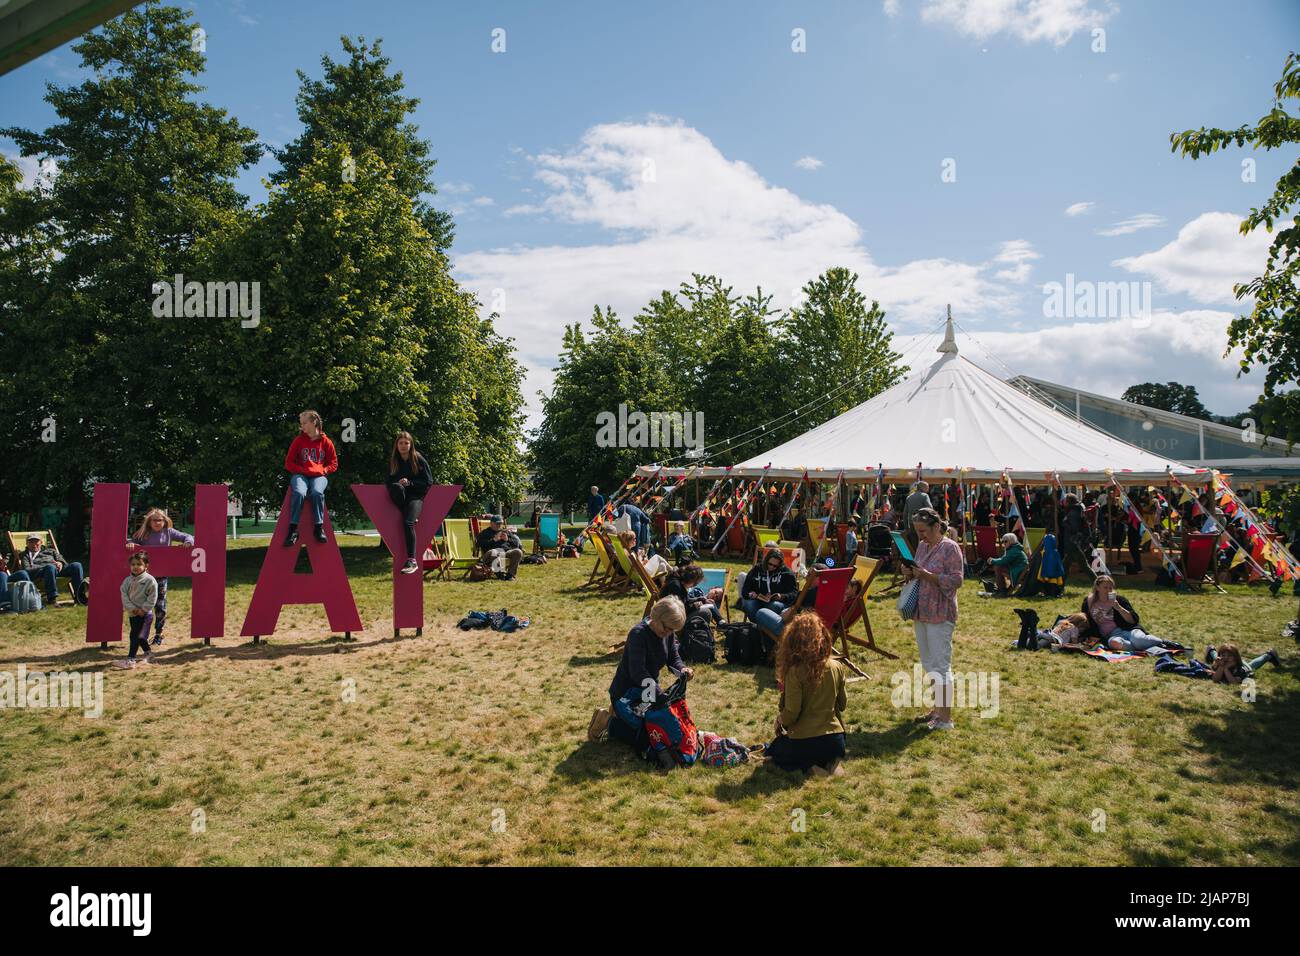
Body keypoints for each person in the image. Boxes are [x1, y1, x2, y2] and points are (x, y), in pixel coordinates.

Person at [591, 597, 693, 746]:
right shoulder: (638, 634)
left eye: (673, 630)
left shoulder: (667, 633)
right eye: (668, 628)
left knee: (658, 730)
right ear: (657, 618)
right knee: (647, 738)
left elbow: (673, 658)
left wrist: (682, 669)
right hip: (626, 693)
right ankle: (607, 721)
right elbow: (638, 672)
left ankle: (620, 716)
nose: (670, 633)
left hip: (648, 690)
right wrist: (658, 693)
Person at [763, 613, 848, 776]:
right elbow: (843, 705)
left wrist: (780, 720)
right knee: (825, 752)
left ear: (793, 641)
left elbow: (792, 713)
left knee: (776, 750)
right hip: (836, 740)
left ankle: (810, 767)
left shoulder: (795, 672)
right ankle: (832, 763)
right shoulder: (837, 666)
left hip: (805, 742)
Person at [903, 507, 963, 730]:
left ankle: (946, 720)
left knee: (940, 665)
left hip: (940, 613)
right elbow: (918, 571)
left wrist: (926, 576)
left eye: (923, 530)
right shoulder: (922, 545)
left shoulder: (950, 548)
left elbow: (957, 580)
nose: (921, 535)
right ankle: (937, 710)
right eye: (918, 531)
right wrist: (908, 571)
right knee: (929, 663)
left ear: (937, 527)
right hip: (922, 611)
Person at [129, 508, 194, 646]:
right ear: (149, 521)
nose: (157, 523)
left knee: (160, 604)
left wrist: (188, 542)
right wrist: (130, 544)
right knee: (143, 604)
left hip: (161, 576)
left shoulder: (169, 532)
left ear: (165, 521)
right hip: (144, 577)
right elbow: (131, 542)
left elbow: (187, 536)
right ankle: (142, 634)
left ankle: (159, 634)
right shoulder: (144, 533)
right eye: (155, 520)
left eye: (160, 520)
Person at [1081, 575, 1185, 654]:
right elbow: (1085, 621)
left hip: (1128, 630)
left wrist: (1118, 608)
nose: (1108, 590)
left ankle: (1164, 642)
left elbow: (1133, 620)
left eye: (1110, 588)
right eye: (1105, 587)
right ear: (1097, 588)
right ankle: (1146, 647)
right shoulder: (1089, 602)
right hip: (1111, 635)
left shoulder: (1119, 600)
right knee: (1115, 644)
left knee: (1138, 639)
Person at [283, 409, 338, 546]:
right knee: (299, 492)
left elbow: (334, 463)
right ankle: (293, 530)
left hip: (319, 476)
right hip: (300, 475)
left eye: (304, 423)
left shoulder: (326, 442)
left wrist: (324, 470)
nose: (301, 426)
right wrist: (302, 470)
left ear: (314, 423)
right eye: (300, 423)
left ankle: (318, 528)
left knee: (317, 492)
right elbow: (288, 463)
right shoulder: (298, 441)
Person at [385, 431, 433, 574]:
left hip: (415, 497)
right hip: (399, 497)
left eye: (406, 443)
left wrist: (410, 483)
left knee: (408, 522)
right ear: (396, 445)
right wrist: (399, 484)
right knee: (396, 487)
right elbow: (388, 483)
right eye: (401, 443)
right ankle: (407, 511)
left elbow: (428, 481)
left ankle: (412, 560)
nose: (403, 446)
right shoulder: (393, 461)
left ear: (411, 444)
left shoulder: (418, 458)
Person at [114, 551, 158, 669]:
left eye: (139, 564)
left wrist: (143, 609)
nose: (136, 567)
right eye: (133, 564)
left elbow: (152, 597)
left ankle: (130, 660)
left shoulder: (150, 580)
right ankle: (149, 653)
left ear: (146, 566)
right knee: (140, 636)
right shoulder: (127, 581)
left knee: (135, 636)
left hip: (145, 615)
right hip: (133, 614)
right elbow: (124, 595)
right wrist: (132, 608)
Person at [17, 533, 84, 607]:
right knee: (50, 567)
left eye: (36, 541)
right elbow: (27, 569)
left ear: (41, 542)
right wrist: (46, 567)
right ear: (27, 543)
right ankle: (52, 599)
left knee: (76, 565)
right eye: (31, 542)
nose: (34, 544)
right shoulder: (25, 555)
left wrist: (60, 563)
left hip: (57, 570)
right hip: (40, 574)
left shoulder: (51, 551)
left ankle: (79, 597)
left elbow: (64, 562)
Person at [1155, 644, 1280, 683]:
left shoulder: (1240, 669)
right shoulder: (1223, 662)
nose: (1226, 658)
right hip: (1224, 667)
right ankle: (1212, 651)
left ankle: (1269, 655)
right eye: (1224, 655)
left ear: (1236, 657)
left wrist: (1225, 669)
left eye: (1229, 656)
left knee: (1253, 664)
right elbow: (1216, 678)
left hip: (1245, 667)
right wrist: (1221, 666)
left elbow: (1234, 682)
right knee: (1217, 659)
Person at [742, 544, 798, 624]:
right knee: (748, 604)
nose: (771, 567)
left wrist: (782, 596)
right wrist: (751, 594)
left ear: (780, 565)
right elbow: (745, 590)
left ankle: (765, 629)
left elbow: (794, 593)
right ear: (766, 560)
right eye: (770, 564)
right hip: (758, 600)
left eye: (775, 566)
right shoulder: (757, 569)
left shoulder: (787, 573)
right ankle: (758, 628)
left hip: (777, 603)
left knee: (773, 606)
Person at [475, 515, 523, 580]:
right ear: (491, 523)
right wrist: (493, 540)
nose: (499, 525)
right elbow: (478, 544)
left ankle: (510, 575)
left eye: (500, 523)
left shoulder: (505, 532)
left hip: (505, 552)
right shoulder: (485, 532)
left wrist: (507, 539)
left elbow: (516, 544)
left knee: (518, 551)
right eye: (497, 523)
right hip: (491, 553)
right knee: (495, 551)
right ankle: (500, 574)